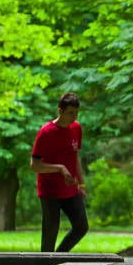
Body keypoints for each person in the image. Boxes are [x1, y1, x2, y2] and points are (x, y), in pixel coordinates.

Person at [30, 92, 88, 252]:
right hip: (50, 191)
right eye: (70, 113)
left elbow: (75, 157)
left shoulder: (76, 128)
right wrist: (60, 168)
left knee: (81, 226)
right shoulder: (46, 132)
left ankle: (59, 256)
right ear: (60, 111)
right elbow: (35, 165)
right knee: (50, 233)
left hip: (71, 189)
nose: (74, 117)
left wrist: (82, 183)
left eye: (76, 113)